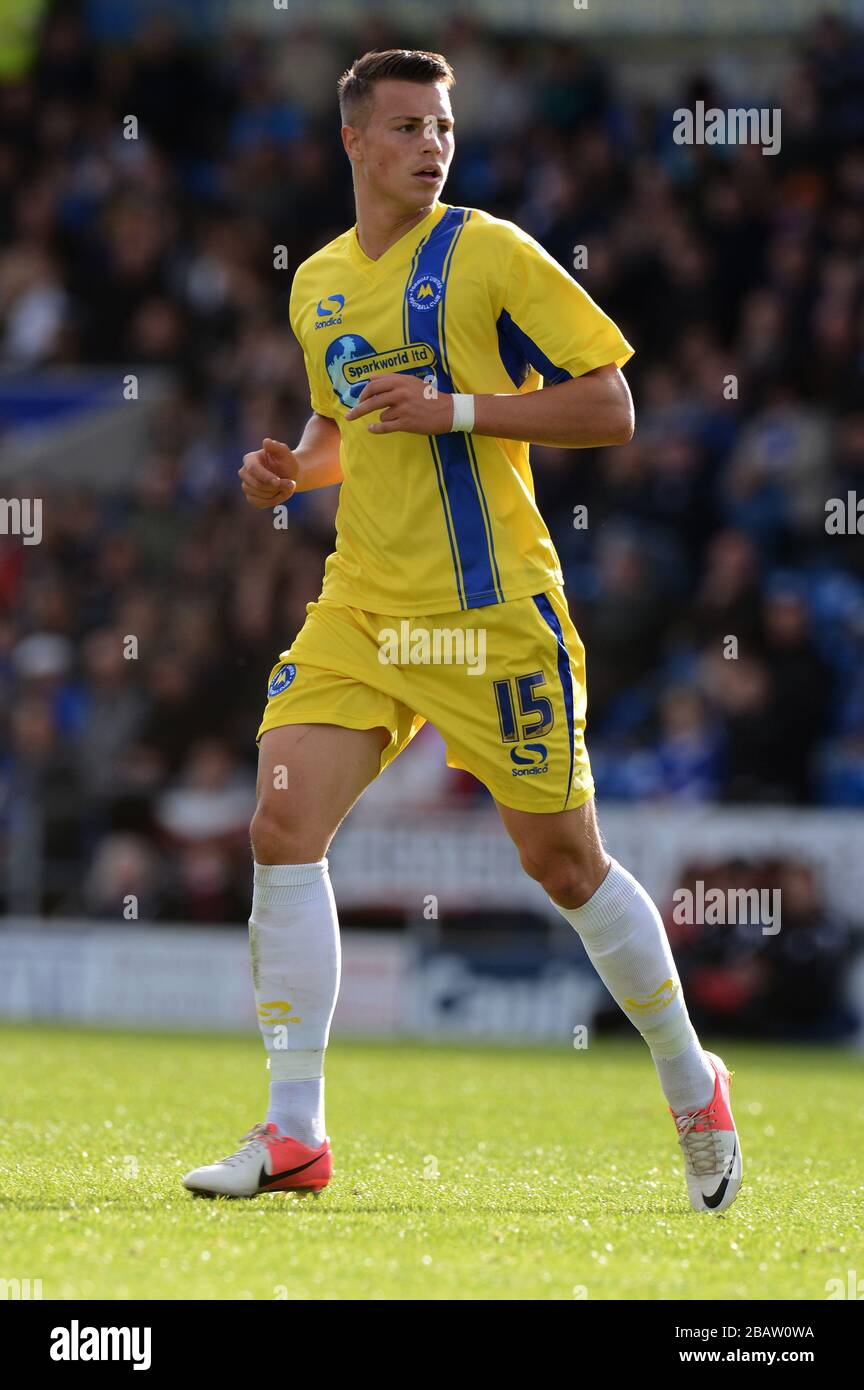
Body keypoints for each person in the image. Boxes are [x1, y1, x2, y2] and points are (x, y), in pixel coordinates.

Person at [182, 49, 742, 1214]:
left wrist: (463, 409)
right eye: (406, 128)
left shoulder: (487, 251)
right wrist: (298, 469)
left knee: (565, 863)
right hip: (362, 610)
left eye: (442, 127)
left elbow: (612, 403)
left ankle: (694, 1083)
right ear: (354, 142)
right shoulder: (320, 280)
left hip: (492, 620)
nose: (432, 146)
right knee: (282, 821)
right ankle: (295, 1133)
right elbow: (349, 419)